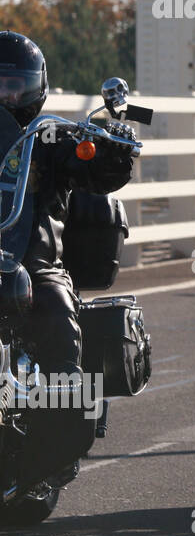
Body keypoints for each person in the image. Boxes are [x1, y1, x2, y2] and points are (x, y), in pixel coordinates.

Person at [0, 32, 137, 381]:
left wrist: (112, 154)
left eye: (14, 85)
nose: (6, 96)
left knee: (56, 308)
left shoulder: (48, 137)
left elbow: (93, 174)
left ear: (35, 88)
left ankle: (65, 396)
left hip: (34, 262)